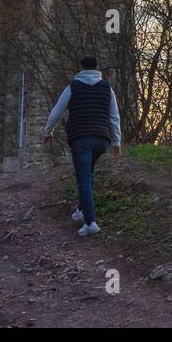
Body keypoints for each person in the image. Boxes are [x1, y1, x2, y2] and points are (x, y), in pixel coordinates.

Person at [43, 56, 121, 236]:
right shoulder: (107, 88)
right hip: (102, 139)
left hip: (81, 138)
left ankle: (90, 222)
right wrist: (117, 141)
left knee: (83, 179)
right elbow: (114, 116)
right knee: (89, 173)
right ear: (97, 68)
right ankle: (81, 209)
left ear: (81, 68)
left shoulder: (73, 87)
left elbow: (56, 112)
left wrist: (48, 132)